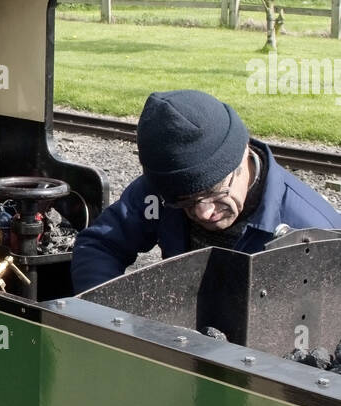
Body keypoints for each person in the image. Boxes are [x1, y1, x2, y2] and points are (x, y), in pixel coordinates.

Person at [71, 89, 341, 293]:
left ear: (243, 153)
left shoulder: (316, 231)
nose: (203, 212)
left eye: (214, 192)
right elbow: (100, 245)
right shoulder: (165, 191)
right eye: (186, 202)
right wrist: (108, 320)